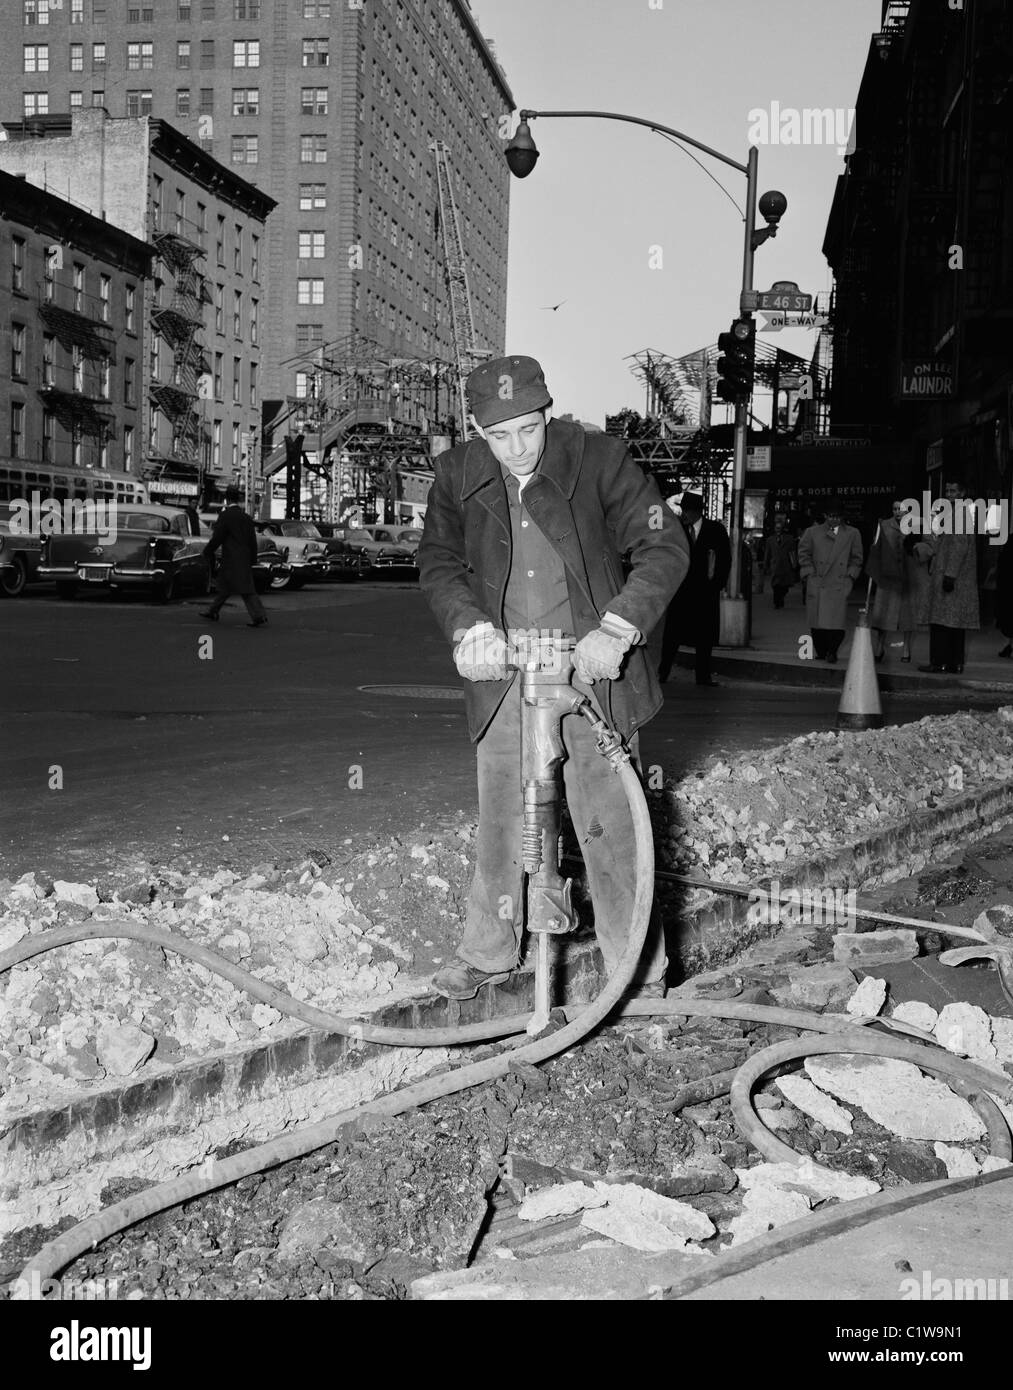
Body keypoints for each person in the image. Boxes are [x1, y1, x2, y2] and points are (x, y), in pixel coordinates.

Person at [418, 355, 689, 1002]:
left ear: (547, 413)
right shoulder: (456, 473)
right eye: (497, 436)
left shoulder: (599, 459)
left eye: (527, 430)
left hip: (591, 672)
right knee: (503, 821)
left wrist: (617, 628)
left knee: (610, 825)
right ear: (476, 432)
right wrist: (469, 629)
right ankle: (488, 952)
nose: (515, 449)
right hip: (505, 675)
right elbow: (438, 560)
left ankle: (638, 969)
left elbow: (663, 545)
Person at [656, 493, 731, 687]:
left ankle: (703, 676)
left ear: (697, 511)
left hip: (705, 593)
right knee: (672, 637)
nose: (684, 514)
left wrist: (716, 585)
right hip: (680, 593)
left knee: (704, 638)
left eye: (687, 510)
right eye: (683, 510)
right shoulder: (677, 530)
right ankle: (662, 673)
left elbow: (724, 560)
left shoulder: (716, 530)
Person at [918, 477, 979, 674]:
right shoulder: (958, 513)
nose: (949, 494)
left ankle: (939, 662)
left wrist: (950, 575)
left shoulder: (960, 514)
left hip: (951, 576)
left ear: (962, 493)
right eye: (947, 491)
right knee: (954, 624)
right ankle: (955, 663)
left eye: (953, 491)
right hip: (957, 577)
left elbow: (959, 546)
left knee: (941, 622)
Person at [797, 498, 863, 663]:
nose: (834, 519)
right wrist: (809, 574)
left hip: (839, 584)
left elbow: (857, 559)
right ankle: (822, 651)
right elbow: (803, 554)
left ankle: (832, 651)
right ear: (825, 515)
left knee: (837, 624)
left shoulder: (853, 533)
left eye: (837, 516)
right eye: (831, 516)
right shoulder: (812, 532)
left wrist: (850, 577)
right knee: (817, 624)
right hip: (818, 582)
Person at [199, 485, 268, 627]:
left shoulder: (225, 516)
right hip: (244, 558)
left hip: (230, 557)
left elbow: (217, 537)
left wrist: (207, 551)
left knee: (231, 587)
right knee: (239, 588)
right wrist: (253, 559)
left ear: (226, 499)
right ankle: (213, 611)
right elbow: (252, 540)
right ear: (239, 499)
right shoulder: (247, 518)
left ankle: (258, 616)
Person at [867, 498, 916, 662]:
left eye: (900, 509)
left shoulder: (914, 525)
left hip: (907, 575)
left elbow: (925, 545)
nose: (897, 512)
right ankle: (879, 648)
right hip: (888, 577)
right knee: (882, 617)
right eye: (894, 509)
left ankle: (906, 649)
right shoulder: (884, 525)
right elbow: (876, 548)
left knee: (907, 618)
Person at [762, 514, 798, 609]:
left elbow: (793, 551)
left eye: (780, 528)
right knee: (775, 585)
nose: (778, 530)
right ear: (774, 529)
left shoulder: (789, 539)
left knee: (785, 586)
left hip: (786, 565)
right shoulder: (770, 540)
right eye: (776, 528)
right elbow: (767, 553)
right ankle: (777, 602)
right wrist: (765, 565)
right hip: (775, 565)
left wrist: (794, 563)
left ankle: (781, 597)